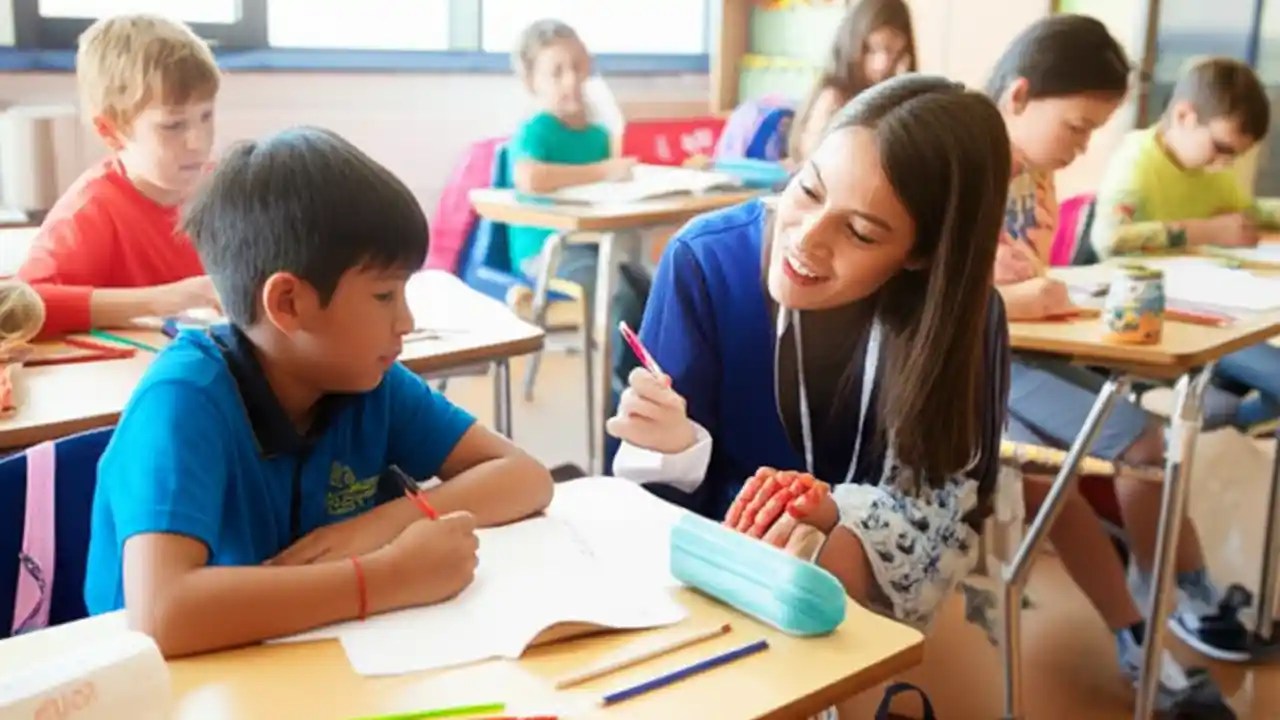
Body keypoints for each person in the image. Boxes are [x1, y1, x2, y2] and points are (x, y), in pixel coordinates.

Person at [83, 127, 554, 658]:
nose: (407, 320)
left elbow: (526, 478)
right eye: (383, 295)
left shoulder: (366, 380)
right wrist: (385, 576)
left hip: (307, 657)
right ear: (288, 303)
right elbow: (159, 615)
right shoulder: (182, 401)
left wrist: (382, 525)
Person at [608, 74, 1010, 631]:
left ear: (921, 255)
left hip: (868, 617)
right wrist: (681, 455)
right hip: (707, 607)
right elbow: (642, 514)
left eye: (861, 233)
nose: (808, 239)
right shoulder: (707, 263)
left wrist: (826, 536)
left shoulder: (964, 316)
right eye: (810, 189)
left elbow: (953, 513)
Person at [990, 15, 1236, 715]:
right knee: (1126, 447)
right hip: (967, 362)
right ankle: (1164, 614)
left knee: (1056, 468)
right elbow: (930, 301)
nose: (1083, 146)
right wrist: (1013, 296)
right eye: (1077, 126)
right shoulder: (960, 162)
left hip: (1014, 352)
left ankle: (1157, 618)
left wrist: (1029, 296)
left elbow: (1026, 286)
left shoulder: (1032, 178)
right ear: (1019, 95)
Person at [1091, 55, 1280, 430]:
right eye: (1222, 148)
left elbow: (1248, 213)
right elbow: (1109, 239)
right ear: (1184, 117)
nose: (1225, 164)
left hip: (1219, 307)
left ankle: (1217, 425)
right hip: (1161, 313)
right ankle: (1206, 429)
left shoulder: (1209, 169)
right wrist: (1207, 231)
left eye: (1236, 155)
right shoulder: (1138, 158)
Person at [18, 14, 222, 337]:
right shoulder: (92, 209)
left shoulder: (224, 188)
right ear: (111, 131)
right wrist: (163, 299)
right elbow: (22, 306)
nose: (199, 141)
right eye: (173, 125)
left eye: (206, 116)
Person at [788, 0, 916, 163]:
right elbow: (813, 163)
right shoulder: (834, 97)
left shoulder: (896, 98)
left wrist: (901, 88)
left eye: (894, 52)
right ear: (854, 45)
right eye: (872, 49)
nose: (882, 64)